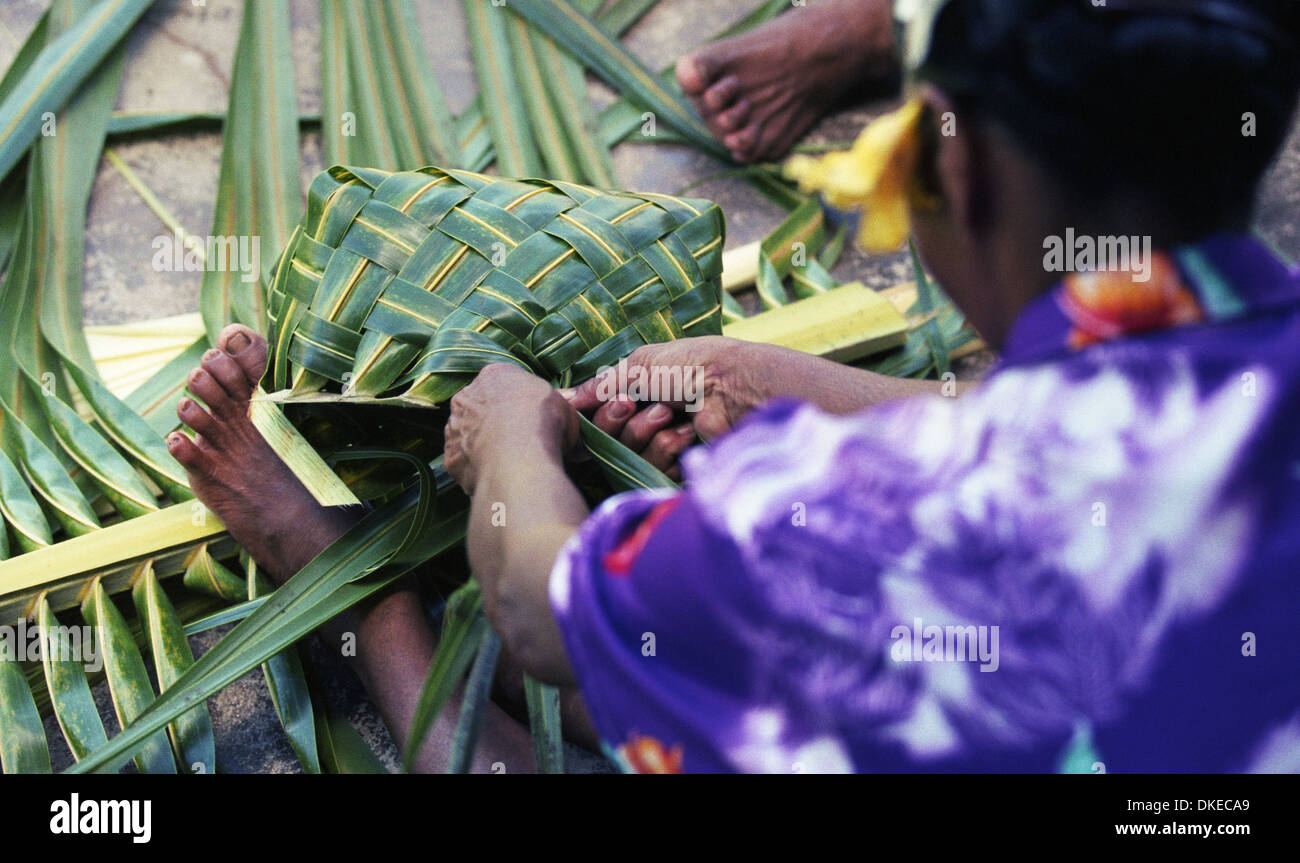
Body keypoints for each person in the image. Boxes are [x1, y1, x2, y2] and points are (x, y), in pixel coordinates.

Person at [168, 0, 1300, 772]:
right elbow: (1075, 454)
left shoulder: (840, 522)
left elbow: (537, 607)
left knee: (550, 704)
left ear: (953, 165)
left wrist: (509, 441)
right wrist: (768, 376)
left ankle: (328, 571)